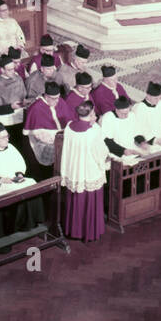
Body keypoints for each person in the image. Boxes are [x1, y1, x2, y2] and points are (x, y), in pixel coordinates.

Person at [58, 101, 108, 242]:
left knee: (76, 200)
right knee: (89, 201)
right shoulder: (94, 130)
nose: (95, 117)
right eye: (94, 114)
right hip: (89, 170)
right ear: (91, 114)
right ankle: (89, 232)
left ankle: (73, 230)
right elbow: (100, 152)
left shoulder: (69, 126)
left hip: (74, 170)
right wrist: (104, 159)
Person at [0, 124, 44, 232]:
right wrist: (1, 179)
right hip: (1, 184)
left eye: (7, 136)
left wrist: (19, 174)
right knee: (20, 190)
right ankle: (22, 224)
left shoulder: (11, 147)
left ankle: (34, 220)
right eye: (3, 137)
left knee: (32, 184)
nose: (7, 139)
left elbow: (20, 162)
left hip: (15, 179)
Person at [23, 81, 68, 180]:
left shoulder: (60, 101)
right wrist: (55, 140)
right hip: (43, 142)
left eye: (58, 97)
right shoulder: (36, 108)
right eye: (54, 99)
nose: (57, 101)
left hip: (61, 138)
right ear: (46, 97)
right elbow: (36, 134)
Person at [0, 53, 27, 146]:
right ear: (2, 70)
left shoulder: (18, 78)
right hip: (4, 121)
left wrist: (25, 102)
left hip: (19, 118)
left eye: (13, 68)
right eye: (9, 70)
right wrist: (11, 107)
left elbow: (24, 96)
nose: (13, 71)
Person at [99, 96, 142, 162]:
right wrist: (123, 151)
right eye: (123, 114)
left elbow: (136, 133)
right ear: (116, 110)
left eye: (127, 113)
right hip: (116, 151)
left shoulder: (131, 115)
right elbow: (107, 141)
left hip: (132, 148)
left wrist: (142, 142)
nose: (126, 116)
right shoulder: (108, 117)